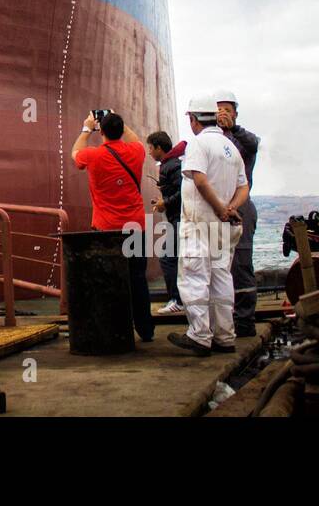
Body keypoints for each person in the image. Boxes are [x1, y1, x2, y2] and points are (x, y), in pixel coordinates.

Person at [168, 94, 248, 358]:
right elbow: (243, 187)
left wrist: (219, 208)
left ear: (193, 119)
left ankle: (200, 335)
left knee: (194, 278)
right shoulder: (230, 147)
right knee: (221, 278)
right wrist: (231, 209)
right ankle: (225, 336)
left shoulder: (198, 145)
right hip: (223, 227)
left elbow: (200, 181)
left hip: (201, 222)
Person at [72, 110, 154, 342]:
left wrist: (87, 128)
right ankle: (146, 330)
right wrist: (118, 120)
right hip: (136, 226)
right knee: (138, 279)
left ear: (103, 132)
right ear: (121, 129)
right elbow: (136, 139)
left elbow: (75, 152)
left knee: (107, 281)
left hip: (105, 229)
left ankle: (114, 330)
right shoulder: (136, 151)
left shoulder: (93, 156)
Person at [215, 90, 260, 338]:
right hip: (215, 210)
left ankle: (245, 322)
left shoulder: (244, 140)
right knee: (219, 266)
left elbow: (254, 143)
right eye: (218, 110)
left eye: (227, 110)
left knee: (241, 265)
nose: (222, 115)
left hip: (240, 209)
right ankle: (225, 320)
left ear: (235, 114)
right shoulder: (208, 140)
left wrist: (233, 129)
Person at [148, 131, 187, 315]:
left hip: (177, 220)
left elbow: (184, 192)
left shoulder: (171, 166)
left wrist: (167, 202)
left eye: (150, 147)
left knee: (166, 258)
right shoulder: (171, 164)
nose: (149, 152)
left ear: (158, 147)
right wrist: (164, 203)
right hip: (176, 219)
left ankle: (177, 300)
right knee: (175, 259)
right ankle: (180, 299)